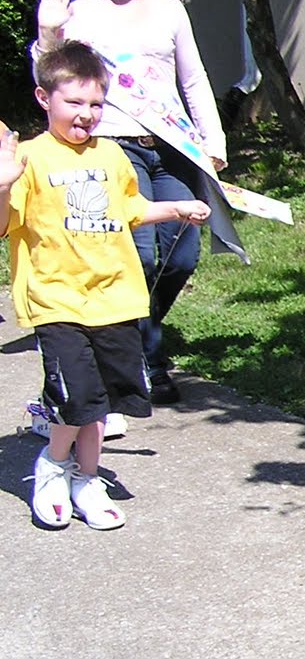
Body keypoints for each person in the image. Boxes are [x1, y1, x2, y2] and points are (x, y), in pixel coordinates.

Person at [2, 41, 209, 530]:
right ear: (44, 97)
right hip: (56, 300)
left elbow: (129, 210)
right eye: (74, 101)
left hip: (115, 298)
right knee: (75, 397)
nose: (86, 113)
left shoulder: (112, 155)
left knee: (104, 402)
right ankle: (54, 466)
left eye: (96, 103)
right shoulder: (28, 158)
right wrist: (4, 183)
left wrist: (176, 209)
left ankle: (87, 478)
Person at [34, 0, 227, 407]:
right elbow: (50, 75)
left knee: (181, 256)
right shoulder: (80, 13)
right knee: (136, 255)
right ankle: (149, 361)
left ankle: (132, 335)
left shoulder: (169, 10)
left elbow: (193, 79)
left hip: (172, 145)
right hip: (113, 147)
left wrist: (213, 142)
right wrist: (50, 31)